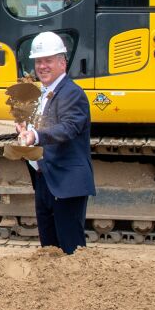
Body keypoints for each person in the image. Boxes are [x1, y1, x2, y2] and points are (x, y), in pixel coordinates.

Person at [15, 31, 95, 255]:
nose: (42, 66)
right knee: (49, 249)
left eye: (48, 61)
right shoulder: (43, 93)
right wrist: (25, 128)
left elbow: (68, 127)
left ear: (62, 62)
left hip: (66, 182)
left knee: (70, 249)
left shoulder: (72, 93)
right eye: (38, 61)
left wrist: (36, 136)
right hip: (45, 178)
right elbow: (42, 125)